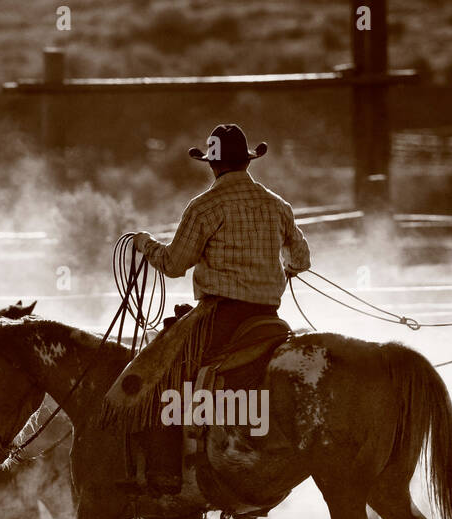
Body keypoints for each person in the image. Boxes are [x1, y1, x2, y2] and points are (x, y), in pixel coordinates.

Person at [111, 123, 311, 494]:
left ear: (213, 165)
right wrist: (277, 267)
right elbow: (301, 259)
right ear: (247, 162)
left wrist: (144, 245)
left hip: (221, 316)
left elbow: (173, 264)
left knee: (162, 368)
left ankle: (165, 469)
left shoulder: (205, 207)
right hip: (268, 319)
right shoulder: (277, 205)